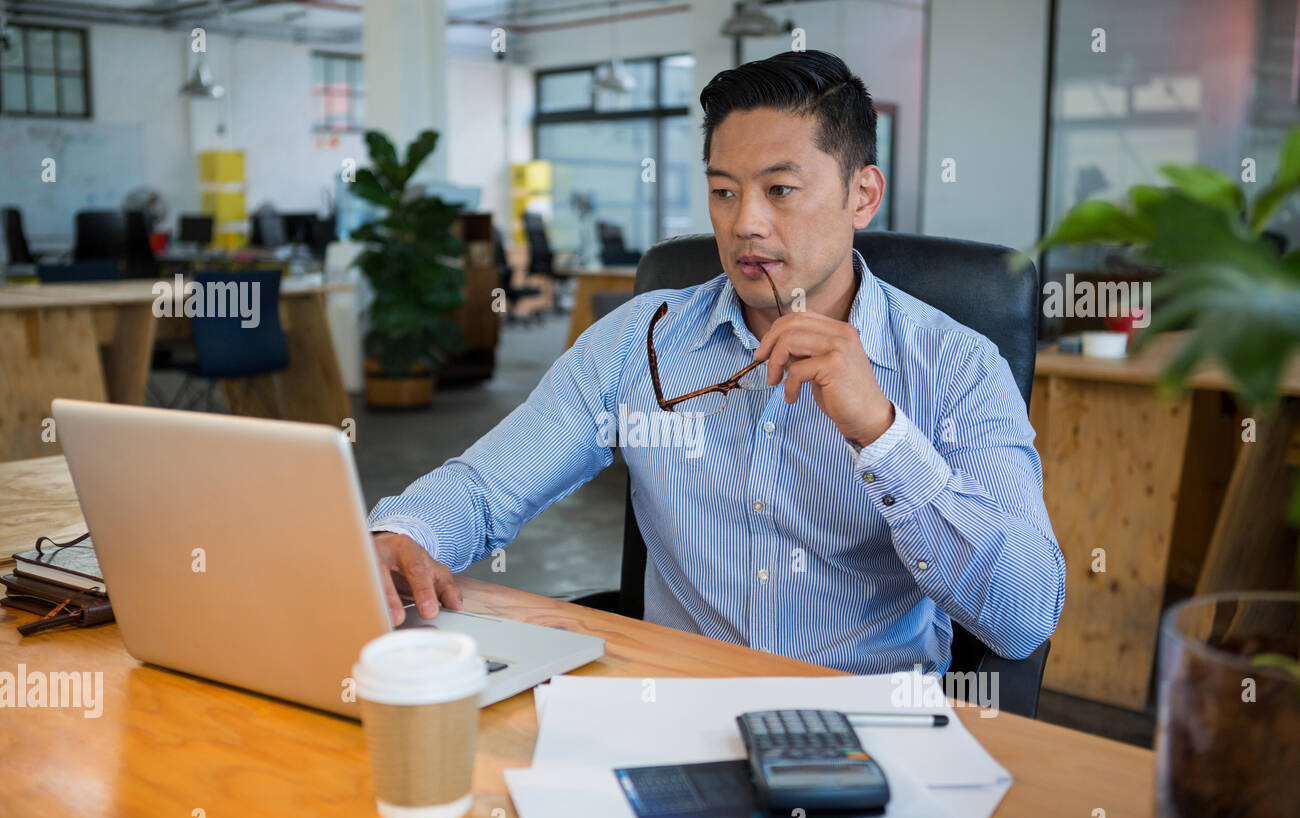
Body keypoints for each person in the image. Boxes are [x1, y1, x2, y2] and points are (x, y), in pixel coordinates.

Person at [369, 50, 1065, 676]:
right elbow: (490, 485)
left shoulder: (958, 365)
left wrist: (884, 435)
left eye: (780, 190)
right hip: (669, 707)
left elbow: (1024, 614)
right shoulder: (639, 340)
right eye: (724, 191)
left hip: (863, 730)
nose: (745, 224)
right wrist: (408, 530)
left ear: (863, 195)